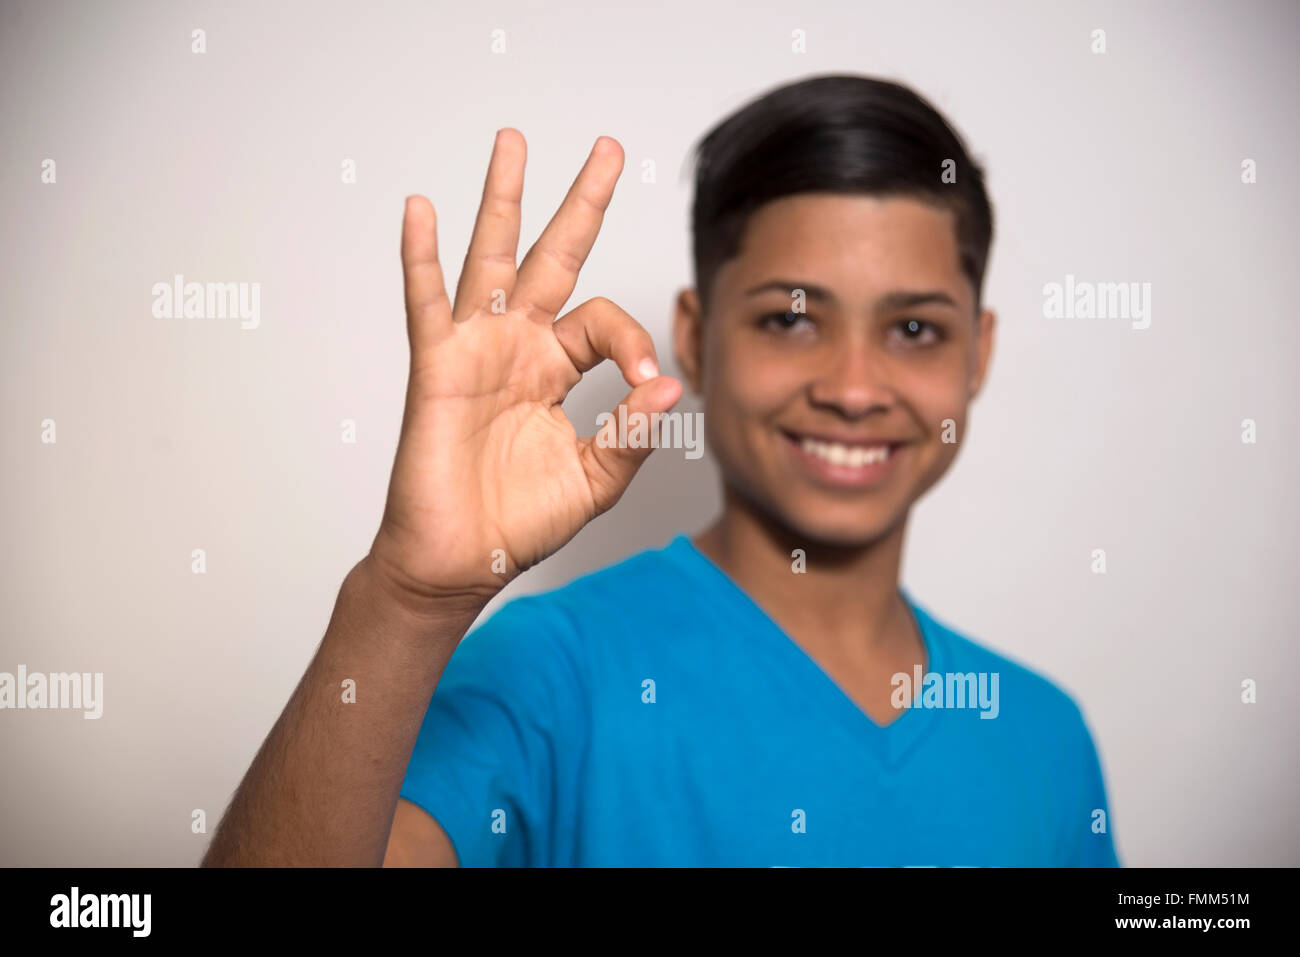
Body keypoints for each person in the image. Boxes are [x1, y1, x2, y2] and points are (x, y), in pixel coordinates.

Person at [202, 74, 1119, 867]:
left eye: (914, 328)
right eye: (790, 318)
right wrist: (405, 599)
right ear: (696, 337)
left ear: (978, 353)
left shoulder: (1045, 737)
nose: (852, 387)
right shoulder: (548, 674)